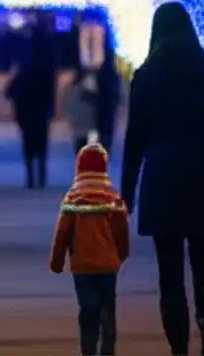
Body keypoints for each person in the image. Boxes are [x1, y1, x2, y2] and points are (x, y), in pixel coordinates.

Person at [121, 3, 204, 355]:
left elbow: (136, 137)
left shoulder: (147, 75)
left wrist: (127, 192)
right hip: (203, 170)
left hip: (162, 176)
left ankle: (178, 345)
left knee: (169, 269)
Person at [50, 143, 130, 355]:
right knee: (108, 304)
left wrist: (57, 261)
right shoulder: (112, 197)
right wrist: (121, 255)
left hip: (82, 265)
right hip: (108, 264)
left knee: (87, 307)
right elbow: (121, 231)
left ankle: (88, 346)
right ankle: (108, 346)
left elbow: (62, 232)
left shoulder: (73, 197)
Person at [8, 34, 55, 189]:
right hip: (40, 114)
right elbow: (50, 93)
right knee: (41, 145)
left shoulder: (22, 75)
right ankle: (41, 176)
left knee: (28, 145)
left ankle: (31, 177)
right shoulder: (44, 74)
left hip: (26, 115)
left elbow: (9, 92)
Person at [65, 69, 101, 153]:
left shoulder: (74, 90)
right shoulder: (89, 88)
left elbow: (71, 108)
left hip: (85, 127)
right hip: (89, 127)